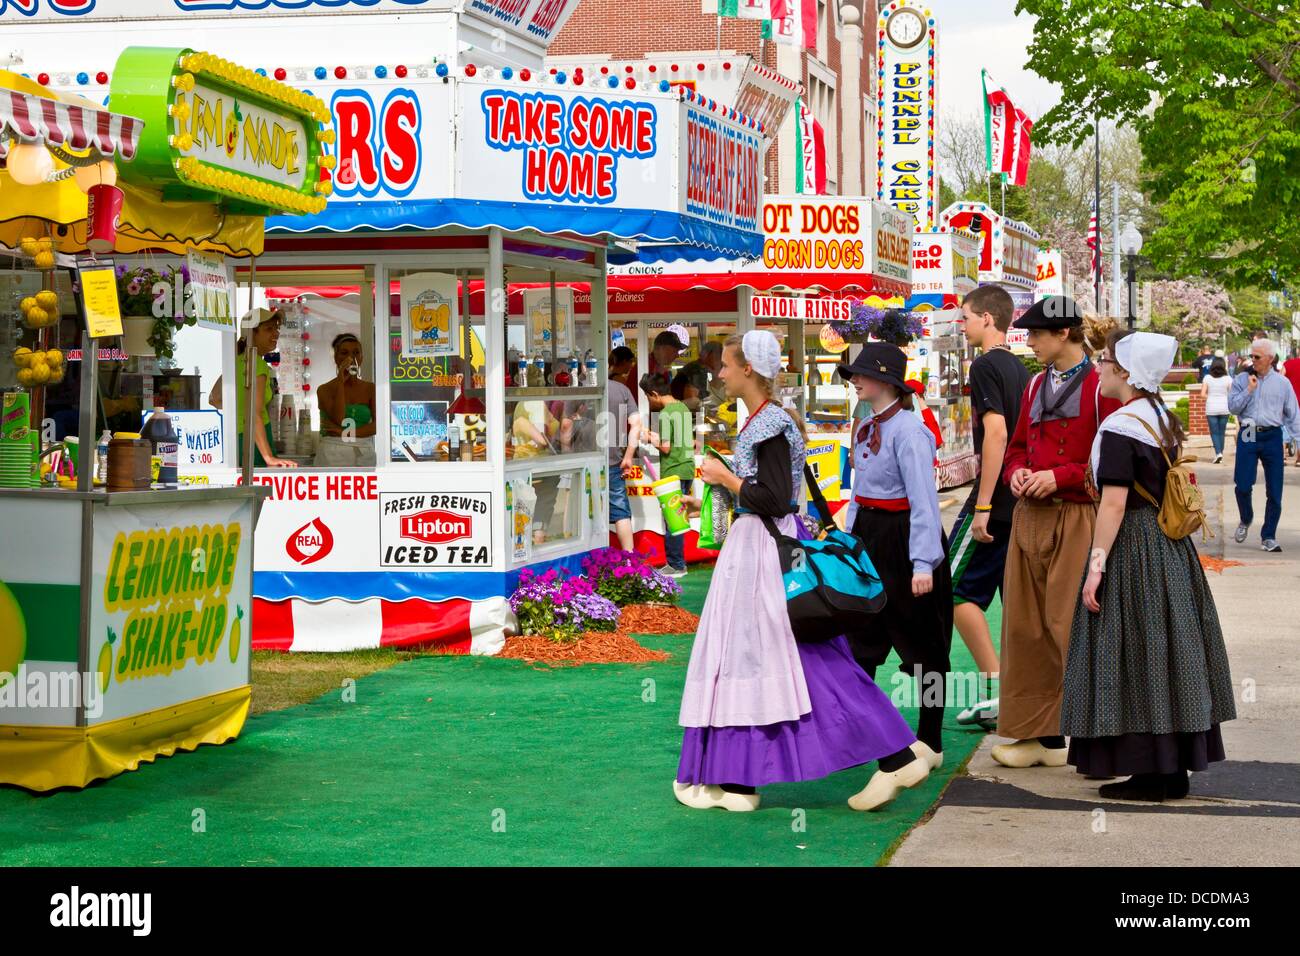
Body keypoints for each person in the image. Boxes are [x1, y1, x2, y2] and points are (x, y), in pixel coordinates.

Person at [674, 331, 927, 813]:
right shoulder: (767, 420)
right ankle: (743, 782)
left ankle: (891, 754)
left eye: (726, 365)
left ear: (749, 369)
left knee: (794, 658)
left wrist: (725, 478)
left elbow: (773, 499)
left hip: (764, 551)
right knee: (780, 657)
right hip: (765, 547)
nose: (720, 373)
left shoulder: (767, 423)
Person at [1062, 330, 1236, 801]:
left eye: (1105, 363)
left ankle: (1149, 771)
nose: (1099, 370)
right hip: (1169, 550)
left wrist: (1096, 565)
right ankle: (1169, 768)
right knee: (1164, 651)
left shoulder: (1123, 425)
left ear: (1125, 373)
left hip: (1135, 547)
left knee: (1134, 650)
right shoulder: (1162, 417)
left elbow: (1114, 505)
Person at [992, 296, 1119, 770]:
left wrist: (1060, 476)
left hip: (1076, 515)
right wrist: (1018, 473)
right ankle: (1036, 736)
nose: (1030, 342)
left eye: (1037, 334)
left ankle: (1099, 736)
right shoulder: (1032, 386)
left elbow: (1108, 460)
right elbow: (1017, 446)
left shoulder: (1100, 388)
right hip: (1030, 515)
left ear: (1063, 333)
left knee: (1071, 626)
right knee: (1024, 627)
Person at [841, 342, 953, 774]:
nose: (855, 381)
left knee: (924, 645)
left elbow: (924, 501)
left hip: (905, 539)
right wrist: (851, 540)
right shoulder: (865, 425)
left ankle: (931, 738)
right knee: (860, 641)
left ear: (886, 381)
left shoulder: (910, 431)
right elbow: (860, 492)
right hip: (871, 537)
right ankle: (855, 732)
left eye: (862, 375)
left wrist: (924, 563)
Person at [949, 285, 1031, 730]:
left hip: (995, 501)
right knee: (1011, 600)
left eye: (966, 317)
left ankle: (997, 686)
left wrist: (982, 504)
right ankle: (1013, 695)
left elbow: (996, 434)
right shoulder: (1020, 368)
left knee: (953, 591)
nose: (962, 325)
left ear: (987, 319)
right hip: (1018, 500)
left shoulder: (984, 366)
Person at [1229, 338, 1300, 552]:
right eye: (1252, 356)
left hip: (1272, 435)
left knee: (1275, 489)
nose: (1253, 360)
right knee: (1242, 483)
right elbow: (1233, 407)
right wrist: (1249, 390)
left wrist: (1298, 439)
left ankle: (1268, 535)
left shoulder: (1282, 383)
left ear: (1270, 359)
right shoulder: (1242, 379)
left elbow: (1293, 415)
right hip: (1249, 430)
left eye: (1257, 357)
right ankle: (1246, 518)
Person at [209, 307, 296, 468]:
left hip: (235, 440)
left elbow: (214, 399)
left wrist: (237, 415)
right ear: (251, 333)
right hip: (255, 444)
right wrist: (269, 457)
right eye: (268, 329)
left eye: (276, 328)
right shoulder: (258, 364)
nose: (275, 333)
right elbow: (254, 413)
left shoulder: (235, 361)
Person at [640, 372, 694, 577]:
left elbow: (666, 447)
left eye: (647, 397)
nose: (648, 402)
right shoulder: (682, 408)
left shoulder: (665, 414)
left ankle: (676, 565)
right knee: (678, 517)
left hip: (673, 471)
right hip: (686, 468)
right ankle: (678, 562)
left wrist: (648, 438)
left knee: (672, 519)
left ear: (654, 394)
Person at [314, 333, 377, 467]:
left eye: (356, 353)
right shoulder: (324, 389)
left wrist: (346, 433)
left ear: (361, 358)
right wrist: (341, 383)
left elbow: (377, 426)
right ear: (336, 358)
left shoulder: (370, 388)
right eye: (344, 353)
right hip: (332, 453)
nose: (351, 358)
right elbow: (339, 418)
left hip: (363, 453)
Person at [606, 369, 641, 551]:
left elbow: (566, 426)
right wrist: (628, 456)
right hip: (614, 461)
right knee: (621, 513)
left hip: (584, 462)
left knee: (581, 511)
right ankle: (630, 561)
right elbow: (636, 424)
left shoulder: (582, 388)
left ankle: (583, 561)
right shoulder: (622, 390)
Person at [673, 340, 724, 412]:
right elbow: (697, 397)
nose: (718, 361)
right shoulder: (696, 370)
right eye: (716, 357)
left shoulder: (703, 369)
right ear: (707, 355)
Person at [1200, 357, 1232, 464]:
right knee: (1221, 432)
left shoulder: (1207, 378)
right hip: (1224, 407)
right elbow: (1232, 394)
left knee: (1214, 433)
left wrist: (1211, 397)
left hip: (1211, 407)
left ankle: (1218, 453)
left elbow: (1202, 394)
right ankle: (1220, 454)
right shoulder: (1228, 379)